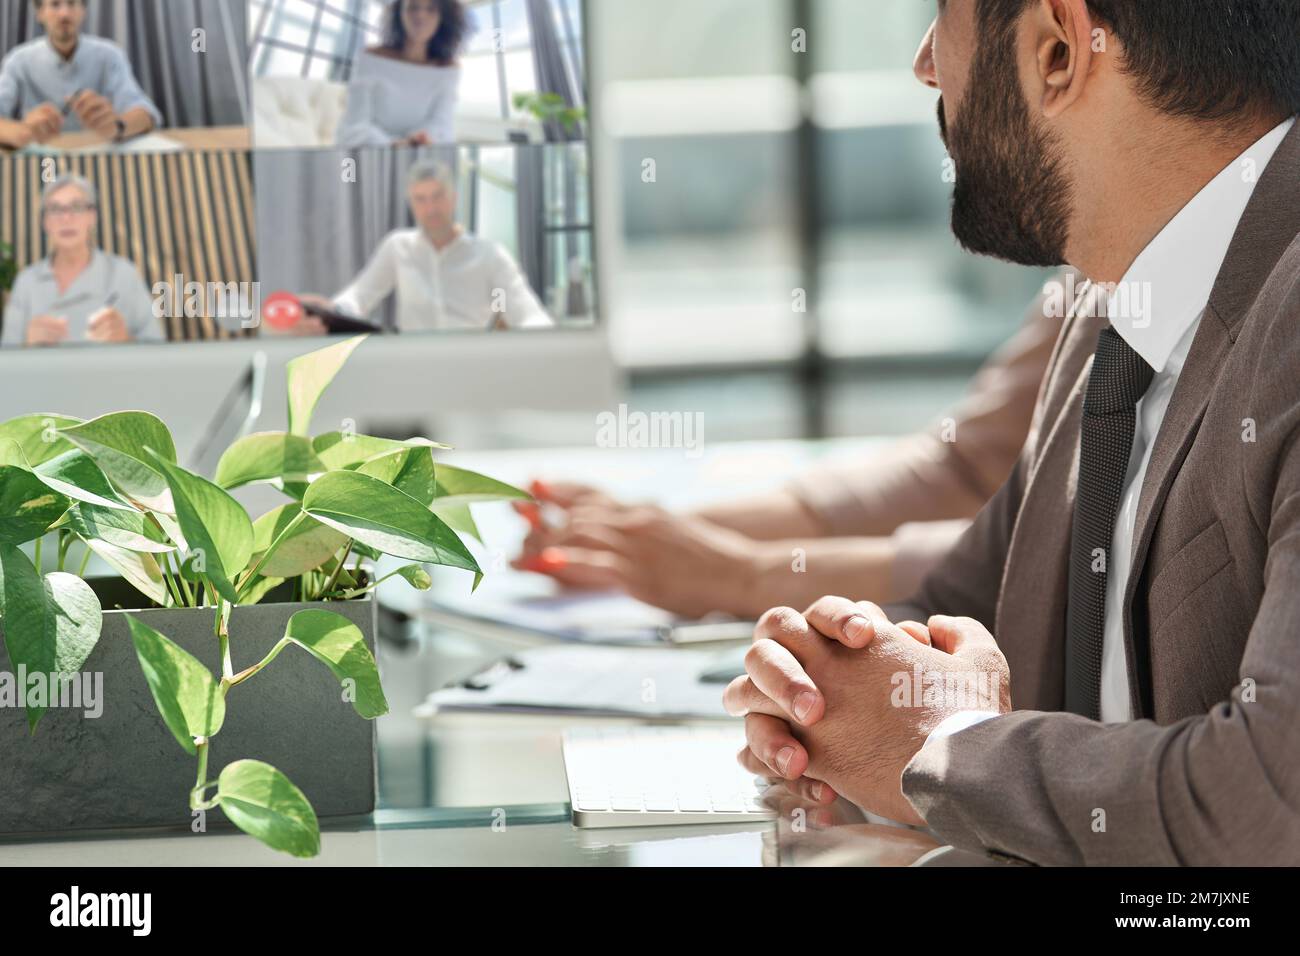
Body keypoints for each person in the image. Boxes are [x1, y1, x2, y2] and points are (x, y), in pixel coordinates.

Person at [729, 0, 1300, 865]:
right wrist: (832, 677)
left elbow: (1266, 802)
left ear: (1059, 51)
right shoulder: (1114, 308)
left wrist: (940, 747)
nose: (927, 65)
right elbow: (961, 600)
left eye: (943, 18)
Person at [513, 279, 1069, 617]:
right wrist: (647, 536)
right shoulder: (1092, 279)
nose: (926, 78)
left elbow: (1060, 559)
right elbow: (967, 467)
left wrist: (745, 575)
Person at [298, 160, 554, 333]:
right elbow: (359, 296)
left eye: (437, 197)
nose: (430, 208)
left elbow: (528, 314)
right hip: (412, 368)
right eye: (421, 199)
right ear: (412, 204)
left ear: (453, 198)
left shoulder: (490, 255)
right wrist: (332, 311)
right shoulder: (397, 246)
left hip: (472, 368)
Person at [1, 175, 159, 347]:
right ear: (45, 222)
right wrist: (26, 344)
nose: (66, 218)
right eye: (55, 209)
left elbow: (158, 347)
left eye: (76, 207)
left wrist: (126, 339)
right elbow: (6, 358)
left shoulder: (124, 273)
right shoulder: (26, 280)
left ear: (92, 217)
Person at [0, 0, 161, 150]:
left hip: (99, 159)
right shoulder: (18, 60)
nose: (64, 14)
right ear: (40, 13)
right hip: (44, 161)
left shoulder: (110, 55)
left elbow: (147, 115)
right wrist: (23, 131)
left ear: (83, 10)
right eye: (55, 4)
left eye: (71, 3)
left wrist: (116, 126)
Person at [337, 0, 468, 148]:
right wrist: (392, 145)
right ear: (399, 13)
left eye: (431, 9)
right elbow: (356, 122)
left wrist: (416, 141)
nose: (420, 15)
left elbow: (442, 124)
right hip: (366, 153)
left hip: (420, 157)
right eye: (413, 7)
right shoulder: (371, 57)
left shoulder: (448, 69)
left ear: (443, 17)